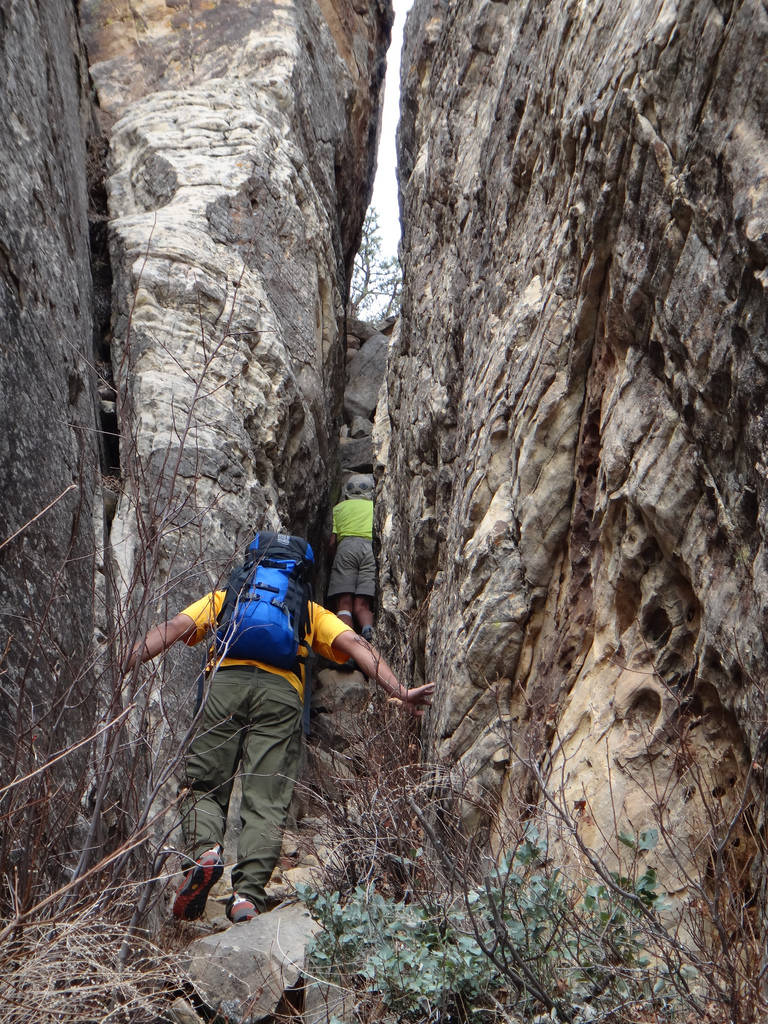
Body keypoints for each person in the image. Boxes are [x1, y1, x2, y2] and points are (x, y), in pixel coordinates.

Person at [125, 546, 434, 925]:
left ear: (252, 565)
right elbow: (355, 643)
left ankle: (205, 852)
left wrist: (125, 659)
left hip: (225, 687)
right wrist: (399, 690)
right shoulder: (305, 610)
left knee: (203, 786)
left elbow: (174, 627)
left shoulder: (229, 598)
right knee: (266, 797)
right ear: (301, 573)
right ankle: (246, 897)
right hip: (281, 695)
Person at [327, 474, 376, 641]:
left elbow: (332, 542)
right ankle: (368, 629)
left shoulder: (339, 509)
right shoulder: (374, 508)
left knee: (343, 605)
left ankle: (348, 648)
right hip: (370, 549)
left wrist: (334, 562)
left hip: (346, 548)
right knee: (362, 605)